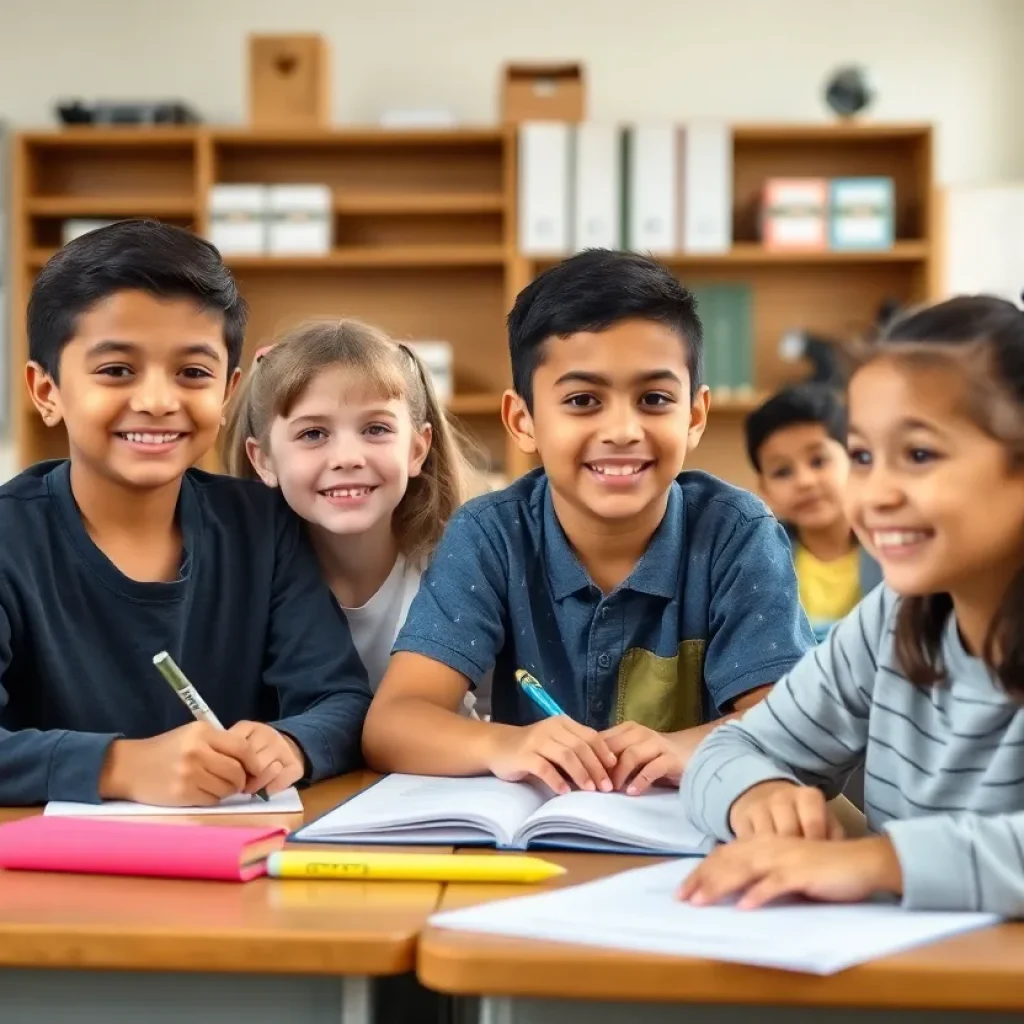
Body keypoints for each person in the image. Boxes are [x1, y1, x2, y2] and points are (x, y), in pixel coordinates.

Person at [362, 249, 814, 796]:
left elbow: (794, 726)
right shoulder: (491, 535)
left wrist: (681, 748)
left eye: (653, 399)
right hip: (535, 844)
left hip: (686, 849)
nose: (622, 429)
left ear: (694, 416)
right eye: (582, 400)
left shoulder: (737, 534)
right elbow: (393, 723)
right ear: (522, 421)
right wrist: (504, 745)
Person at [0, 219, 372, 807]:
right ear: (46, 391)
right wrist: (119, 766)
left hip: (233, 857)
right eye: (116, 370)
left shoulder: (263, 526)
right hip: (43, 874)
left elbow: (340, 700)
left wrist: (292, 744)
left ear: (227, 393)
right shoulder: (10, 539)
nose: (156, 401)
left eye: (193, 373)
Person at [680, 294, 1024, 916]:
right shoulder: (891, 618)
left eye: (919, 454)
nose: (875, 495)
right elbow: (729, 752)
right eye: (863, 456)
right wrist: (756, 794)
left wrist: (875, 861)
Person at [223, 318, 488, 713]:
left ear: (417, 449)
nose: (348, 458)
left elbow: (494, 711)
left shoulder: (463, 568)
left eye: (376, 429)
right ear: (263, 459)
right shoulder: (237, 580)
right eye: (313, 434)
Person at [745, 384, 881, 641]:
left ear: (856, 459)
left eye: (818, 461)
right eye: (782, 472)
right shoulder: (760, 560)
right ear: (765, 489)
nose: (804, 481)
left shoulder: (891, 548)